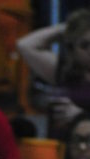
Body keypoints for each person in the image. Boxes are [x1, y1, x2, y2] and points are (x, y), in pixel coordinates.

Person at [16, 9, 90, 139]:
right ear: (72, 48)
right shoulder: (64, 71)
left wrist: (81, 116)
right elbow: (25, 45)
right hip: (61, 149)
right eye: (85, 45)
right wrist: (70, 27)